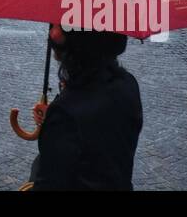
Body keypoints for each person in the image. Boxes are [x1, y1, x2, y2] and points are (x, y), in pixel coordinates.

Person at [24, 26, 142, 191]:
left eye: (62, 26)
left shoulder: (65, 114)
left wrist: (55, 124)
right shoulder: (128, 84)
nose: (53, 33)